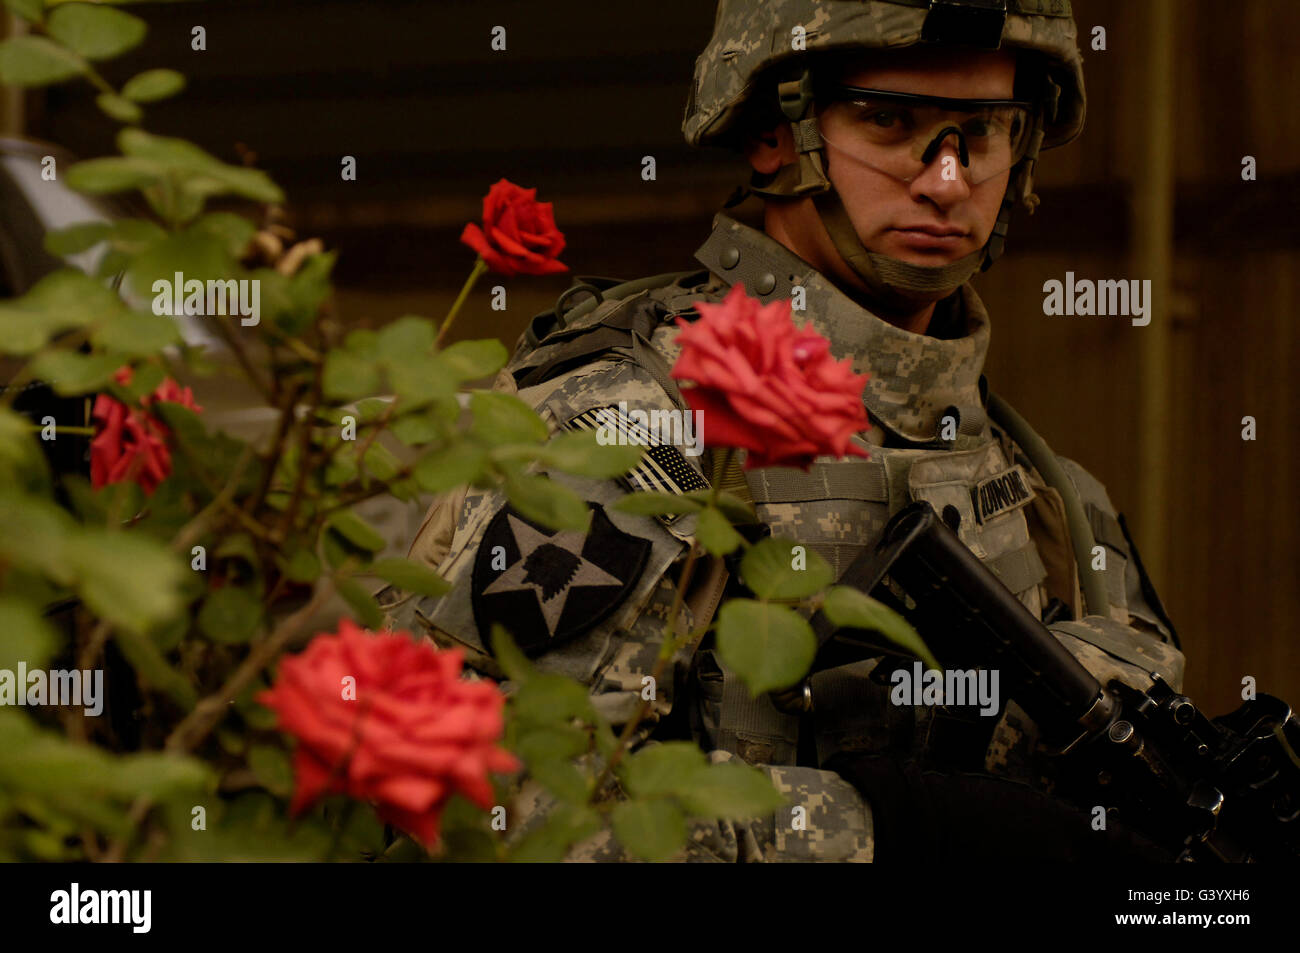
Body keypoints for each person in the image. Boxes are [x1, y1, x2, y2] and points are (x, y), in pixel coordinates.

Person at [381, 0, 1186, 862]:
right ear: (777, 135)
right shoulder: (627, 430)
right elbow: (489, 811)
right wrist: (887, 829)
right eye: (889, 121)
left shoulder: (1042, 486)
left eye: (982, 132)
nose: (946, 180)